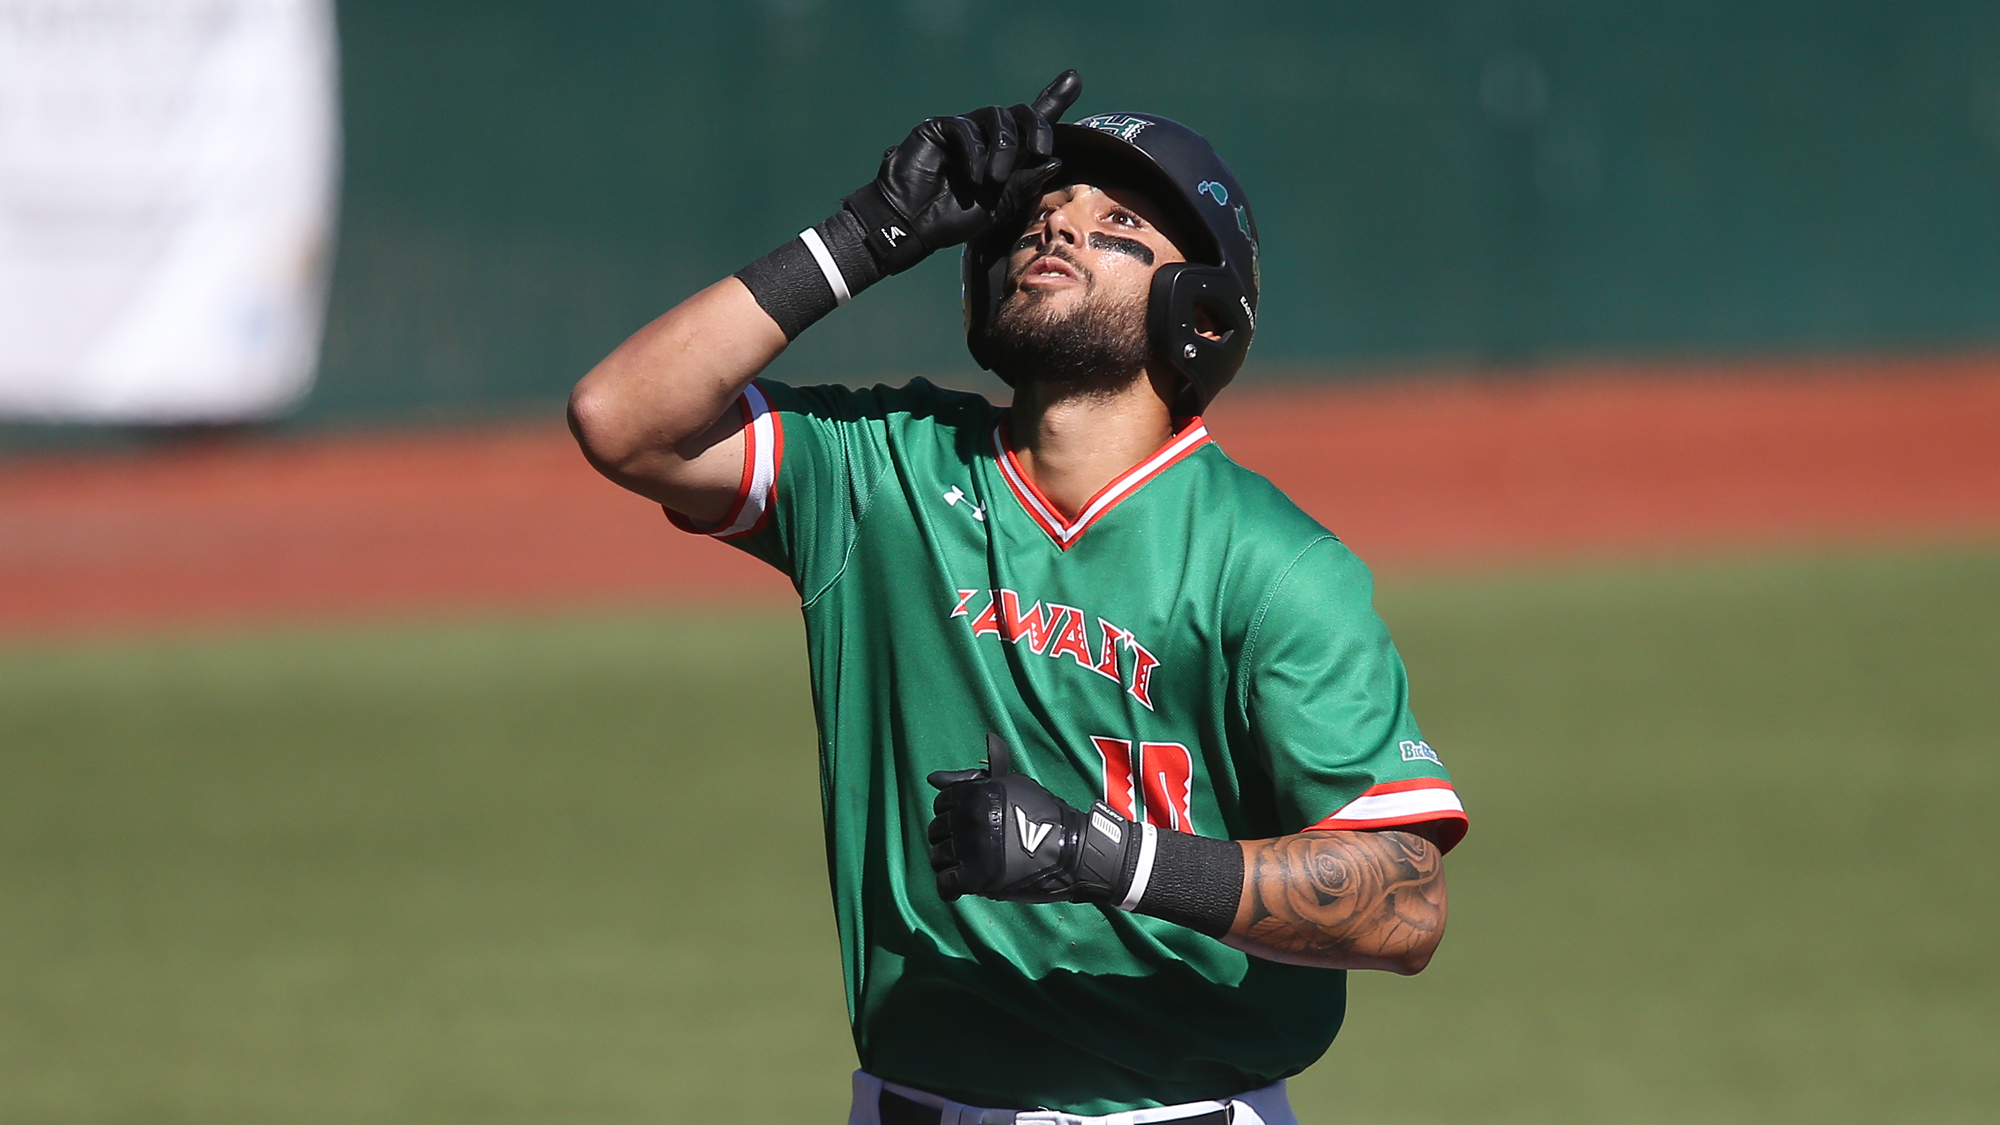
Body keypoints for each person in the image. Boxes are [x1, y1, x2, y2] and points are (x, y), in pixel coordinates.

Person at [568, 70, 1468, 1125]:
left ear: (1204, 308)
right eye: (1039, 216)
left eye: (1117, 220)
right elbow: (621, 417)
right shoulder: (881, 476)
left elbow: (1403, 901)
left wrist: (1105, 857)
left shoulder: (1270, 563)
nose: (1058, 230)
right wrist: (862, 236)